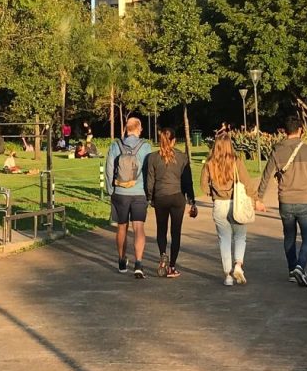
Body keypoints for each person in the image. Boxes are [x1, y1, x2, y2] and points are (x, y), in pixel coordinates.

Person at [256, 115, 307, 288]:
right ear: (301, 130)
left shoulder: (277, 150)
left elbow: (266, 176)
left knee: (289, 236)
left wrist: (259, 198)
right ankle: (300, 266)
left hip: (285, 200)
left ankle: (291, 269)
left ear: (284, 131)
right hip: (305, 200)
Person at [144, 127, 196, 278]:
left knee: (161, 230)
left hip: (161, 196)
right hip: (177, 196)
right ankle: (172, 266)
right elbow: (188, 181)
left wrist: (150, 198)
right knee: (176, 232)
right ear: (174, 140)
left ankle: (162, 255)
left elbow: (150, 181)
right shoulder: (182, 157)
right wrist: (192, 201)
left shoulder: (152, 158)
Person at [105, 117, 153, 278]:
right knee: (138, 227)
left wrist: (110, 189)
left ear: (126, 129)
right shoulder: (145, 147)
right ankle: (138, 263)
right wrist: (149, 192)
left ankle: (121, 260)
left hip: (120, 192)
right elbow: (149, 171)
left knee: (121, 227)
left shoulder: (115, 145)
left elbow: (109, 169)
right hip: (139, 192)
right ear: (138, 129)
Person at [204, 134, 250, 287]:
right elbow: (247, 182)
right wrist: (256, 198)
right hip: (236, 202)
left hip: (219, 204)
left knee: (224, 239)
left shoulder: (210, 163)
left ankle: (227, 275)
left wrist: (213, 192)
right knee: (240, 236)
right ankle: (238, 264)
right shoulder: (236, 161)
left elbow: (204, 186)